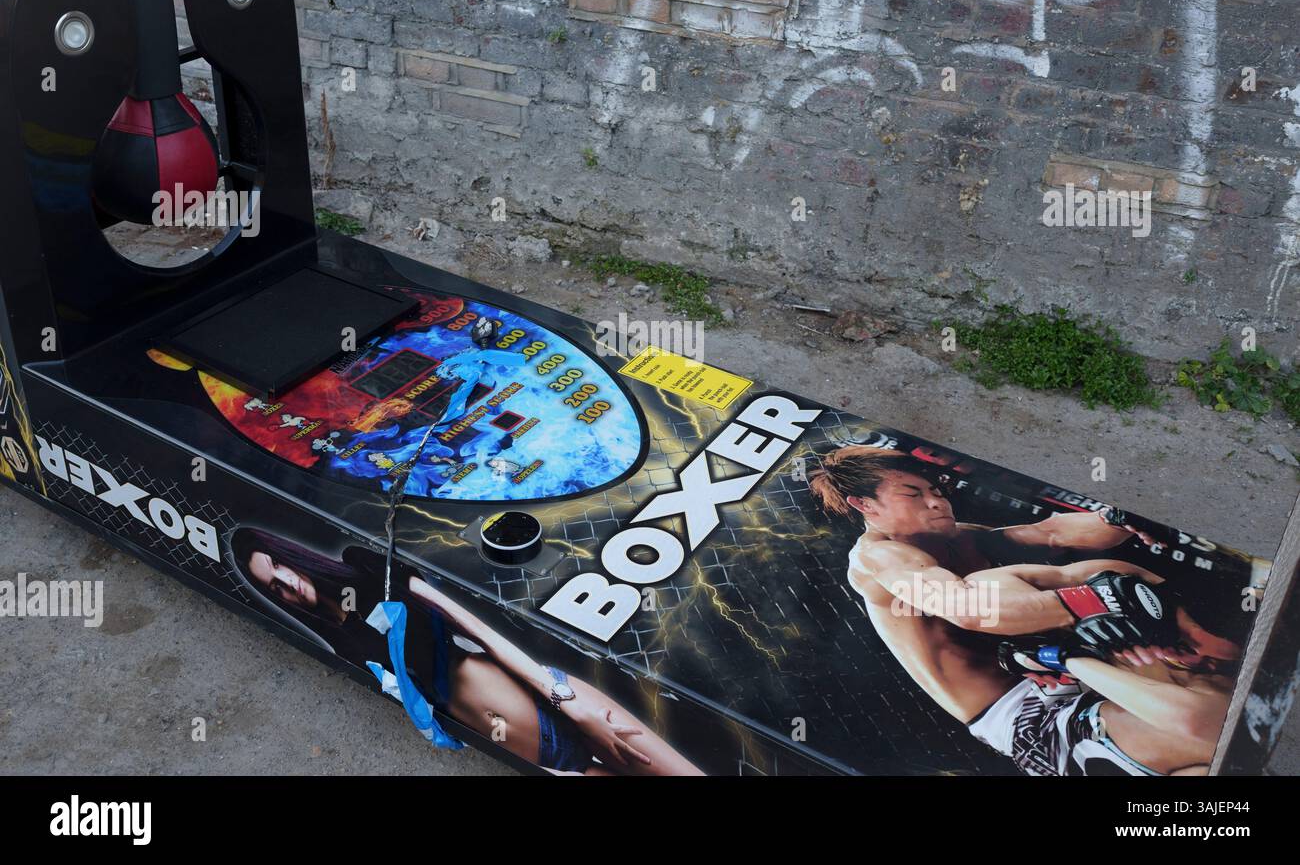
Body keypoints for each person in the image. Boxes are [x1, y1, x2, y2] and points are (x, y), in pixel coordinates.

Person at [809, 446, 1239, 775]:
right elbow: (970, 609)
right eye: (913, 494)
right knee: (1216, 737)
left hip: (1077, 675)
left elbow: (1050, 532)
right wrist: (1092, 604)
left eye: (937, 492)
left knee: (1108, 571)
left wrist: (1120, 518)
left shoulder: (962, 538)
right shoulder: (879, 560)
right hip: (1031, 714)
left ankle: (1203, 643)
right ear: (864, 505)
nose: (937, 502)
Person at [231, 529, 702, 775]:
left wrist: (562, 698)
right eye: (274, 586)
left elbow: (468, 624)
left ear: (288, 554)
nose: (288, 582)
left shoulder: (365, 570)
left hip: (548, 702)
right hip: (542, 756)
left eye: (280, 566)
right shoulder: (339, 640)